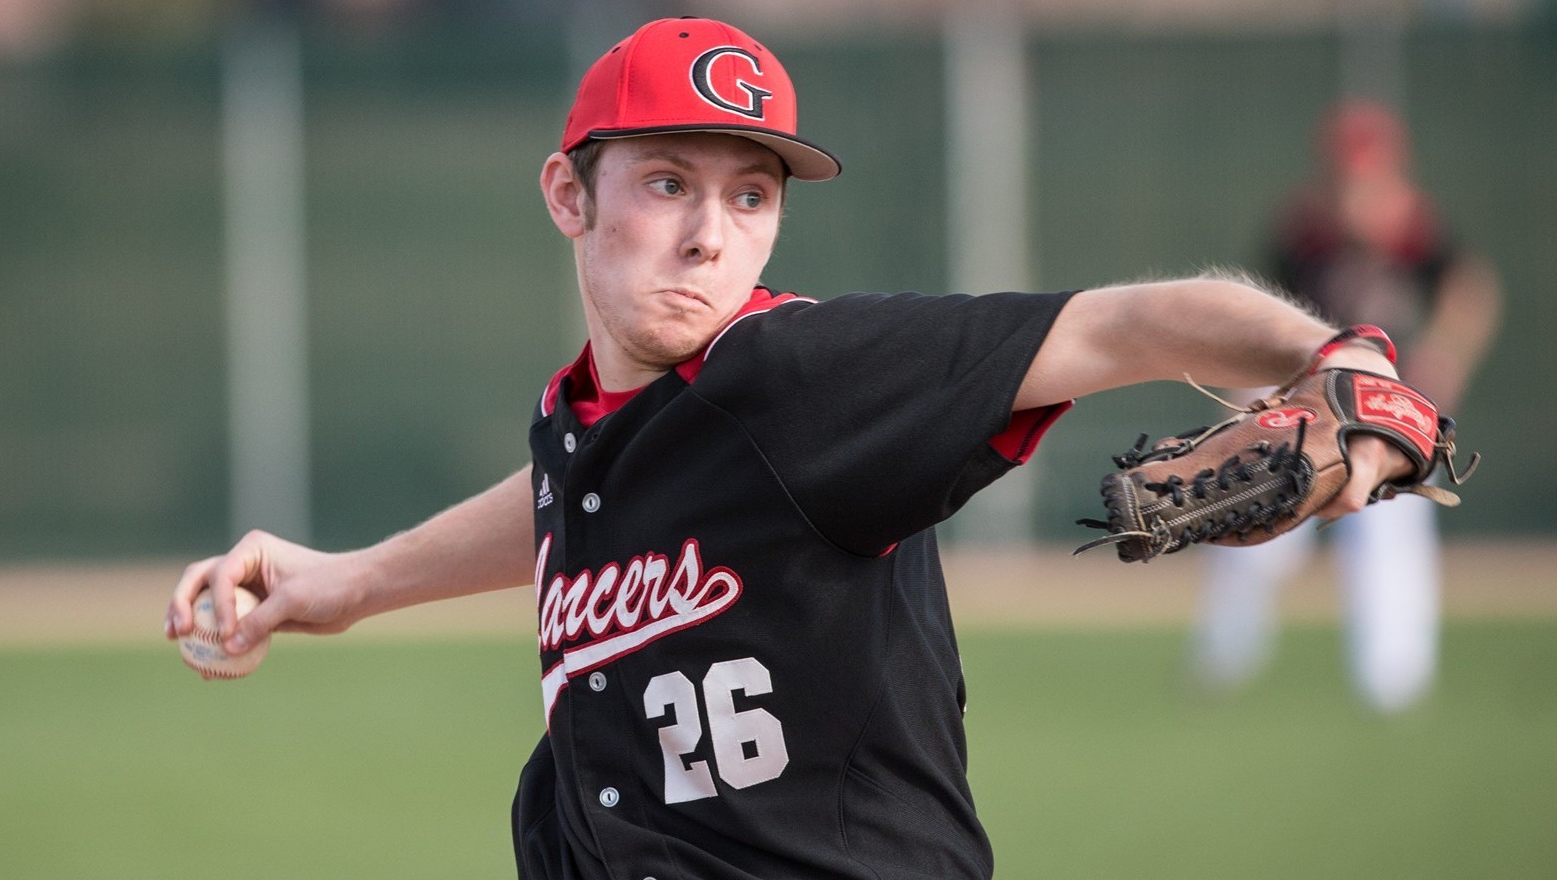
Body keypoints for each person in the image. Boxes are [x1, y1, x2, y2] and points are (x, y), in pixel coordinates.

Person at [166, 19, 1437, 879]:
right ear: (569, 195)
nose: (711, 234)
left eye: (749, 195)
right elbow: (574, 499)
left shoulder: (805, 377)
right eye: (668, 181)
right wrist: (353, 579)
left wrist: (1343, 360)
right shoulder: (589, 419)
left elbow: (1125, 321)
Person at [1190, 99, 1502, 713]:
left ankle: (1394, 686)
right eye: (1345, 172)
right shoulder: (1304, 231)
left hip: (1386, 410)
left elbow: (1473, 289)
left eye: (1367, 171)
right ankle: (1223, 660)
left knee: (1392, 538)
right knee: (1247, 514)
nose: (1355, 186)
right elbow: (1262, 319)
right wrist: (1244, 404)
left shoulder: (1415, 229)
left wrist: (1447, 353)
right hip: (1309, 405)